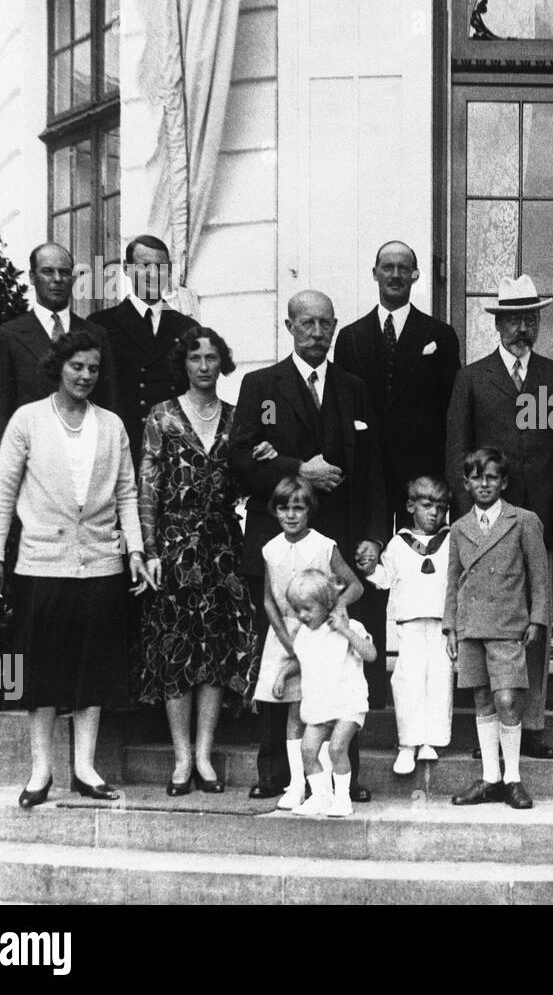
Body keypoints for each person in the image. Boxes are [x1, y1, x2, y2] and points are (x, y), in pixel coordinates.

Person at [0, 330, 155, 807]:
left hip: (101, 564)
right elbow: (3, 493)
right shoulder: (27, 421)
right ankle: (41, 773)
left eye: (93, 368)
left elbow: (126, 494)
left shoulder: (112, 425)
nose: (85, 376)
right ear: (59, 366)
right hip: (41, 564)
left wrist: (135, 551)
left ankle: (85, 769)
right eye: (77, 366)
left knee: (93, 669)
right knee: (44, 671)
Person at [228, 290, 388, 802]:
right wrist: (298, 468)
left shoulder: (353, 388)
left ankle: (345, 775)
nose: (316, 332)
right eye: (306, 323)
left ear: (335, 326)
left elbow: (371, 471)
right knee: (282, 656)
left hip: (334, 546)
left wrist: (371, 535)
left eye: (324, 323)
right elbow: (240, 462)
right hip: (279, 543)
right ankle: (275, 771)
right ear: (289, 326)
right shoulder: (261, 386)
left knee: (339, 656)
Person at [445, 274, 553, 761]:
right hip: (490, 524)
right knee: (494, 621)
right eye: (513, 320)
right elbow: (456, 452)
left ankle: (532, 725)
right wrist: (469, 522)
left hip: (540, 520)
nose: (522, 329)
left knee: (535, 621)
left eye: (530, 319)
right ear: (498, 324)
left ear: (539, 322)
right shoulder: (471, 378)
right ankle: (490, 721)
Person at [334, 240, 460, 708]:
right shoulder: (350, 337)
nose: (395, 275)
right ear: (374, 273)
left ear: (416, 277)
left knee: (420, 576)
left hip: (420, 476)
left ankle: (425, 680)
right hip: (367, 473)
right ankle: (369, 683)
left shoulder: (439, 336)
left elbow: (449, 409)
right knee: (368, 568)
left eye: (403, 269)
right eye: (387, 267)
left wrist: (443, 479)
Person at [136, 326, 260, 795]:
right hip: (173, 542)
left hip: (221, 543)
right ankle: (181, 757)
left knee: (214, 648)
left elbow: (244, 482)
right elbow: (148, 486)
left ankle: (205, 755)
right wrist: (149, 550)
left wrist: (262, 458)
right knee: (174, 646)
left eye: (212, 357)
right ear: (183, 364)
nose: (204, 366)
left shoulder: (236, 416)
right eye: (195, 358)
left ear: (221, 362)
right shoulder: (161, 416)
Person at [444, 448, 549, 810]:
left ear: (503, 482)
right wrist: (450, 627)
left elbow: (539, 575)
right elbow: (452, 581)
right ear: (466, 483)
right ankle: (490, 778)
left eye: (491, 477)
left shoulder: (523, 521)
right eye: (476, 478)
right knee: (483, 699)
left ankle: (513, 778)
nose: (483, 484)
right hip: (471, 625)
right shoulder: (459, 528)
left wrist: (537, 619)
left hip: (508, 624)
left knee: (508, 699)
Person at [255, 476, 364, 810]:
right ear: (275, 511)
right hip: (286, 634)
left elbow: (354, 585)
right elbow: (269, 601)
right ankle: (296, 785)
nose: (291, 515)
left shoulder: (323, 545)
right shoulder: (271, 549)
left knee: (319, 711)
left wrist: (335, 611)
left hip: (320, 636)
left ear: (309, 511)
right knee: (293, 713)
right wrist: (289, 643)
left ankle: (328, 789)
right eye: (284, 508)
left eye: (298, 508)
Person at [0, 242, 117, 461]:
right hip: (33, 461)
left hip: (85, 458)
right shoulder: (8, 336)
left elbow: (109, 404)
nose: (57, 279)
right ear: (32, 277)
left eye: (64, 272)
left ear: (73, 279)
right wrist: (5, 472)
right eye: (48, 271)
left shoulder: (96, 334)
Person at [361, 475, 454, 775]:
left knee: (439, 681)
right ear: (411, 505)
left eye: (441, 507)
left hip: (442, 623)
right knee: (408, 681)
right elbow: (386, 578)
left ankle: (432, 739)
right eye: (427, 505)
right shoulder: (398, 544)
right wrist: (369, 571)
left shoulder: (451, 540)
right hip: (409, 624)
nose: (434, 513)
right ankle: (407, 743)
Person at [88, 236, 199, 468]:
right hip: (119, 453)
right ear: (127, 269)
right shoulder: (101, 326)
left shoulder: (187, 328)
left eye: (160, 268)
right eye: (144, 266)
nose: (153, 274)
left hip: (173, 456)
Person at [276, 569, 376, 818]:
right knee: (308, 750)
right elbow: (301, 661)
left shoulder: (349, 626)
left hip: (347, 703)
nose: (301, 615)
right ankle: (321, 796)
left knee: (336, 749)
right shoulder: (304, 635)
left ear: (326, 603)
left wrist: (346, 631)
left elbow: (371, 654)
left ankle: (343, 799)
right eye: (297, 609)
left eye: (307, 608)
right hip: (319, 704)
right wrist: (282, 675)